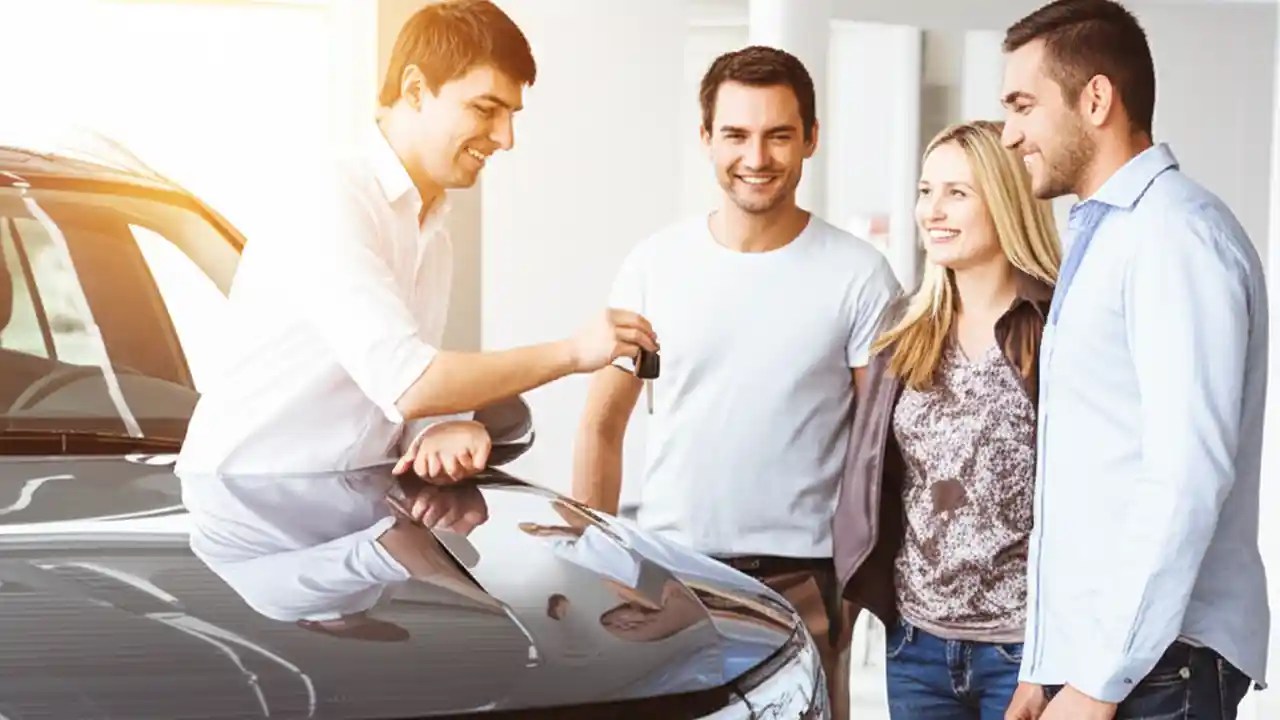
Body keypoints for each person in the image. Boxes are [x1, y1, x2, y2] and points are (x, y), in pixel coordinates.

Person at [175, 0, 657, 479]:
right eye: (486, 109)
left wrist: (437, 428)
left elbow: (391, 393)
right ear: (415, 89)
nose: (505, 138)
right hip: (248, 511)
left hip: (341, 507)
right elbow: (408, 381)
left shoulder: (430, 230)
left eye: (511, 114)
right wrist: (572, 353)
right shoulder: (330, 199)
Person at [571, 45, 902, 719]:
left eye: (779, 134)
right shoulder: (653, 265)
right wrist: (594, 566)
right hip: (667, 571)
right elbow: (602, 425)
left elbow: (883, 453)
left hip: (803, 577)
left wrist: (861, 587)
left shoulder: (860, 275)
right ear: (706, 138)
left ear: (811, 137)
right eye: (737, 135)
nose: (757, 156)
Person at [998, 1, 1270, 718]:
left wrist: (1099, 680)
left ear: (1095, 99)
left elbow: (1186, 472)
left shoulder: (1174, 236)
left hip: (1157, 667)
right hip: (1112, 662)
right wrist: (1047, 665)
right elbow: (1091, 472)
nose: (1009, 132)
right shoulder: (1109, 235)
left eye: (1024, 104)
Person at [831, 119, 1060, 720]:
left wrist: (1055, 659)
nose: (933, 209)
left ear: (1007, 200)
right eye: (925, 190)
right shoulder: (903, 333)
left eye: (957, 192)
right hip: (917, 646)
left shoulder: (1057, 326)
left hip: (1023, 652)